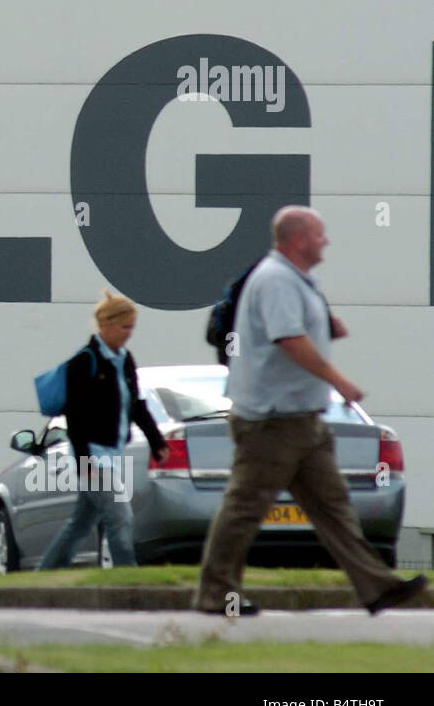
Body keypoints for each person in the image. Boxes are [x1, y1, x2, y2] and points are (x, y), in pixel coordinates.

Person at [195, 206, 428, 615]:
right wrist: (340, 381)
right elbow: (289, 339)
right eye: (320, 235)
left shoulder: (294, 280)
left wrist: (326, 323)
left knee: (334, 508)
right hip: (270, 421)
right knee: (244, 508)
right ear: (298, 239)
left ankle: (377, 588)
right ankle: (216, 595)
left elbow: (296, 328)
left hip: (302, 420)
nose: (326, 242)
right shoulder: (276, 280)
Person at [37, 291, 168, 570]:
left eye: (132, 327)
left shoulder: (125, 360)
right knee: (120, 516)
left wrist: (157, 441)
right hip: (92, 455)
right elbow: (76, 415)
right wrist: (86, 462)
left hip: (111, 453)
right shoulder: (85, 362)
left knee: (81, 523)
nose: (129, 333)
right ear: (106, 325)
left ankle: (44, 573)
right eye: (125, 327)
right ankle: (127, 576)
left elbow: (136, 406)